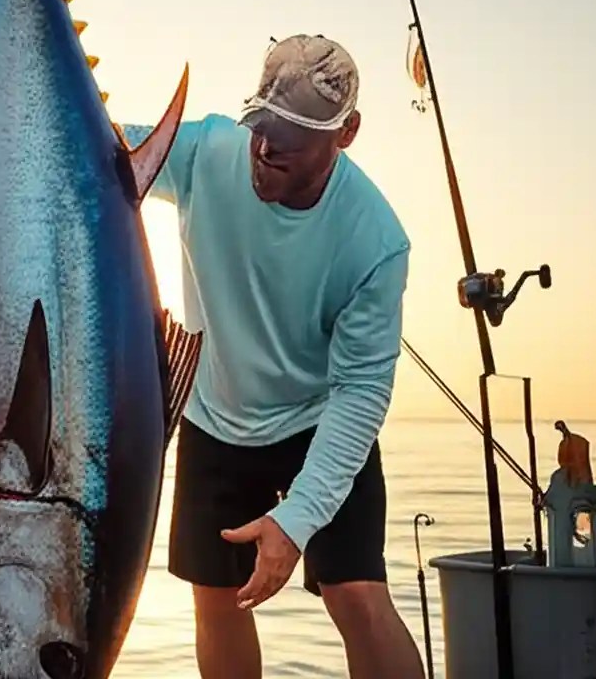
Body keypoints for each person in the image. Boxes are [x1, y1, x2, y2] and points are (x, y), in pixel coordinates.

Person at [120, 34, 424, 678]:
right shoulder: (206, 151)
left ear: (346, 134)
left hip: (318, 423)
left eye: (293, 135)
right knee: (219, 600)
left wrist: (298, 520)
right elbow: (102, 149)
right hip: (214, 417)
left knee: (357, 597)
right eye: (261, 125)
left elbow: (362, 390)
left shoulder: (375, 241)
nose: (266, 147)